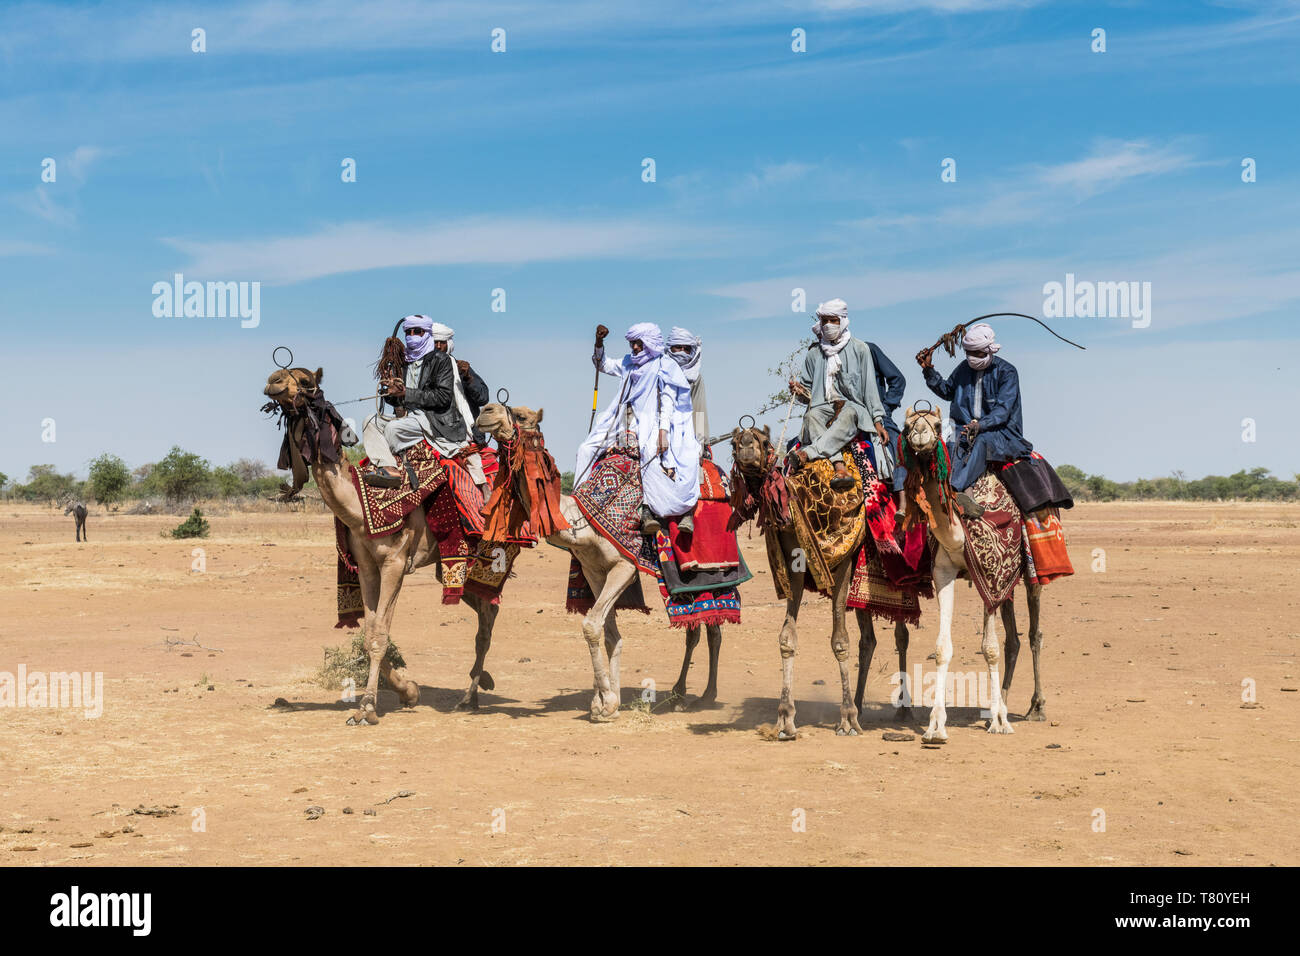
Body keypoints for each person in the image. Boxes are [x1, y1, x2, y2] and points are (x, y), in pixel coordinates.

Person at [575, 322, 700, 534]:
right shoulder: (627, 363)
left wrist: (663, 432)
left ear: (650, 343)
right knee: (585, 449)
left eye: (638, 343)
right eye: (632, 343)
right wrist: (598, 343)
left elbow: (668, 400)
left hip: (650, 422)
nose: (634, 347)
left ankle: (649, 509)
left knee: (648, 454)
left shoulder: (664, 365)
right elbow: (602, 364)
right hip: (619, 420)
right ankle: (579, 503)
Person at [362, 316, 489, 490]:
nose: (412, 336)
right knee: (370, 421)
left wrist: (406, 392)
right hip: (410, 418)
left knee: (393, 429)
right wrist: (389, 390)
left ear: (427, 334)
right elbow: (399, 399)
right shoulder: (405, 363)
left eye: (417, 332)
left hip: (437, 419)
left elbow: (443, 397)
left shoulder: (442, 361)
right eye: (408, 332)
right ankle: (388, 467)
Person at [918, 322, 1032, 513]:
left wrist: (980, 425)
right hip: (963, 428)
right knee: (950, 444)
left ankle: (953, 488)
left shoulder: (1007, 372)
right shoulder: (963, 368)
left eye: (976, 353)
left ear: (988, 350)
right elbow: (947, 391)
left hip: (999, 432)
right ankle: (959, 491)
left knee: (980, 441)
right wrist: (928, 370)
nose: (972, 357)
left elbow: (1003, 411)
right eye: (968, 353)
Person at [788, 298, 890, 491]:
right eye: (824, 320)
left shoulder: (860, 349)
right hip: (822, 406)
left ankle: (807, 453)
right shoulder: (814, 354)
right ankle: (839, 465)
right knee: (811, 416)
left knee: (849, 413)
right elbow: (807, 395)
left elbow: (869, 387)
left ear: (842, 321)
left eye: (833, 320)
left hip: (853, 406)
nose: (828, 325)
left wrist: (878, 420)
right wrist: (799, 391)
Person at [666, 326, 709, 443]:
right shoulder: (659, 370)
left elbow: (699, 409)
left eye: (686, 349)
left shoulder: (695, 377)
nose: (682, 352)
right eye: (678, 347)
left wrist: (701, 441)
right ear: (670, 348)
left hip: (686, 434)